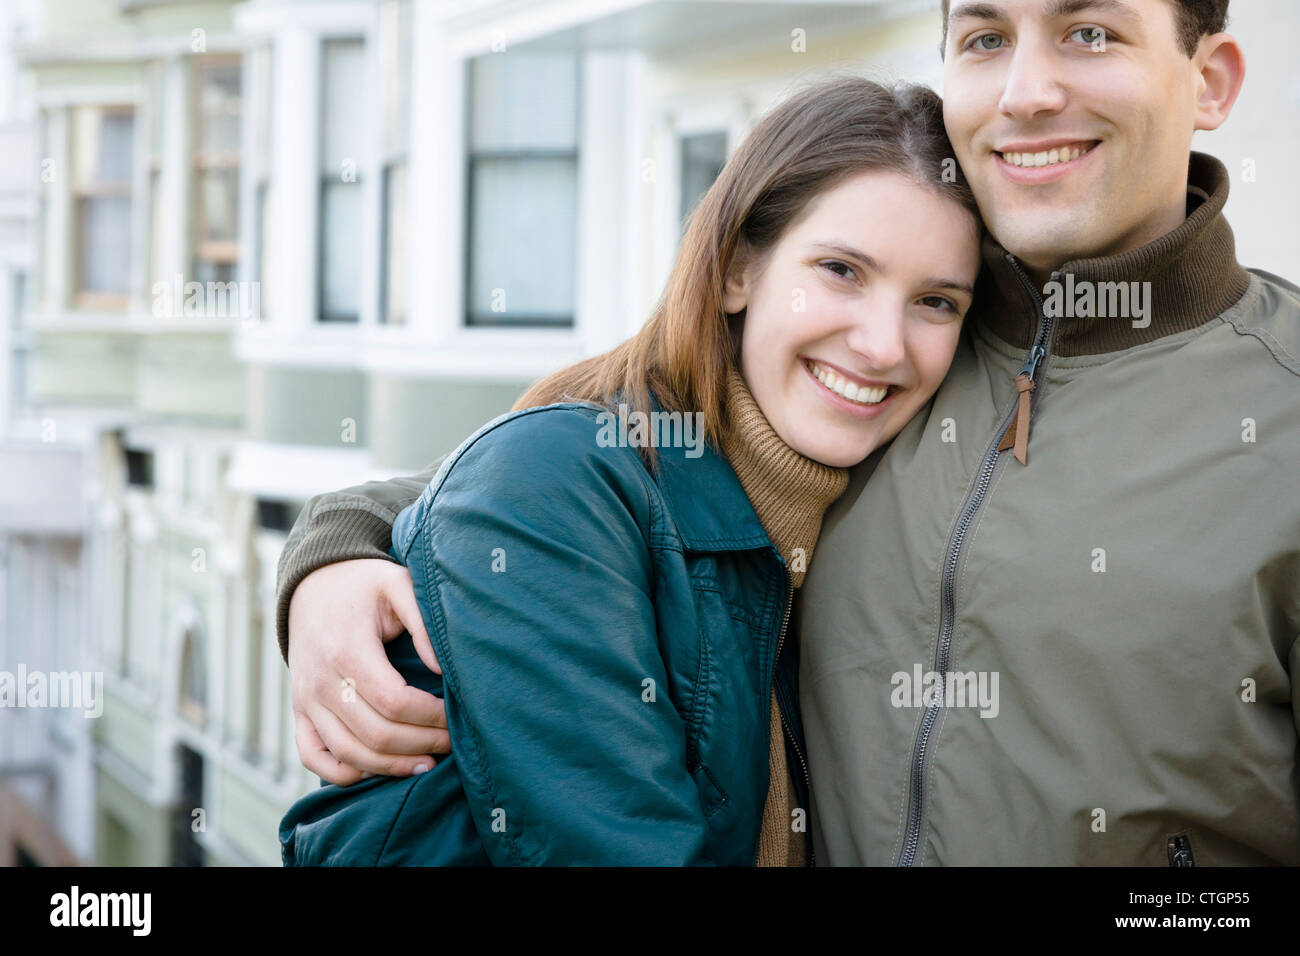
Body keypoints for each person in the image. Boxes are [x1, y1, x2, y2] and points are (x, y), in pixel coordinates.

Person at [281, 0, 1300, 866]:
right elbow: (541, 482)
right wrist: (333, 547)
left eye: (1088, 33)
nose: (1026, 91)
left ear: (1208, 82)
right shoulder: (893, 374)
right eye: (985, 37)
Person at [277, 75, 983, 865]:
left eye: (936, 302)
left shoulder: (843, 515)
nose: (884, 345)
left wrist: (333, 540)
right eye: (841, 271)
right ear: (735, 270)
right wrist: (328, 545)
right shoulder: (563, 485)